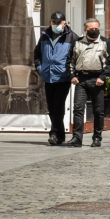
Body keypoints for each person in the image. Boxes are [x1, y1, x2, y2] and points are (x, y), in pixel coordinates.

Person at [65, 18, 110, 148]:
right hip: (81, 80)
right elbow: (70, 60)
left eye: (96, 28)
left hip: (97, 80)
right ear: (85, 30)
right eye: (91, 29)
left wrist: (103, 77)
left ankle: (97, 137)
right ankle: (77, 138)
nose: (94, 31)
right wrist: (72, 76)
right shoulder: (77, 43)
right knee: (78, 109)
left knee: (98, 110)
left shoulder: (106, 43)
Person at [34, 11, 78, 146]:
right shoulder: (45, 36)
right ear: (50, 23)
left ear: (64, 23)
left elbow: (77, 56)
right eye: (54, 22)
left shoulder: (72, 37)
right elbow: (37, 53)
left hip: (63, 77)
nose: (56, 25)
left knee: (58, 105)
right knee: (52, 108)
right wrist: (40, 68)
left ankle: (53, 133)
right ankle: (60, 136)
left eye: (59, 23)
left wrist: (72, 73)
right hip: (48, 76)